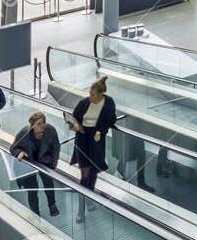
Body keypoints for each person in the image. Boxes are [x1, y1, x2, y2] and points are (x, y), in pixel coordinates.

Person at [69, 77, 117, 221]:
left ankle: (89, 200)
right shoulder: (84, 102)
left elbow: (111, 119)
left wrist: (101, 131)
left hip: (96, 139)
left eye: (93, 94)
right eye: (90, 93)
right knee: (85, 174)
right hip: (82, 137)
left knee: (94, 171)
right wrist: (75, 126)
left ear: (101, 94)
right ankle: (80, 210)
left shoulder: (108, 102)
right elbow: (73, 117)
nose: (90, 96)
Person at [10, 112, 61, 217]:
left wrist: (54, 162)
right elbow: (13, 148)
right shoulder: (24, 132)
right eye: (39, 124)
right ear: (32, 126)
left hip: (45, 161)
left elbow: (56, 146)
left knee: (48, 182)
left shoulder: (50, 130)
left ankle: (52, 205)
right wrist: (19, 152)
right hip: (29, 163)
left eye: (44, 122)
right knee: (32, 188)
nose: (42, 126)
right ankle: (35, 213)